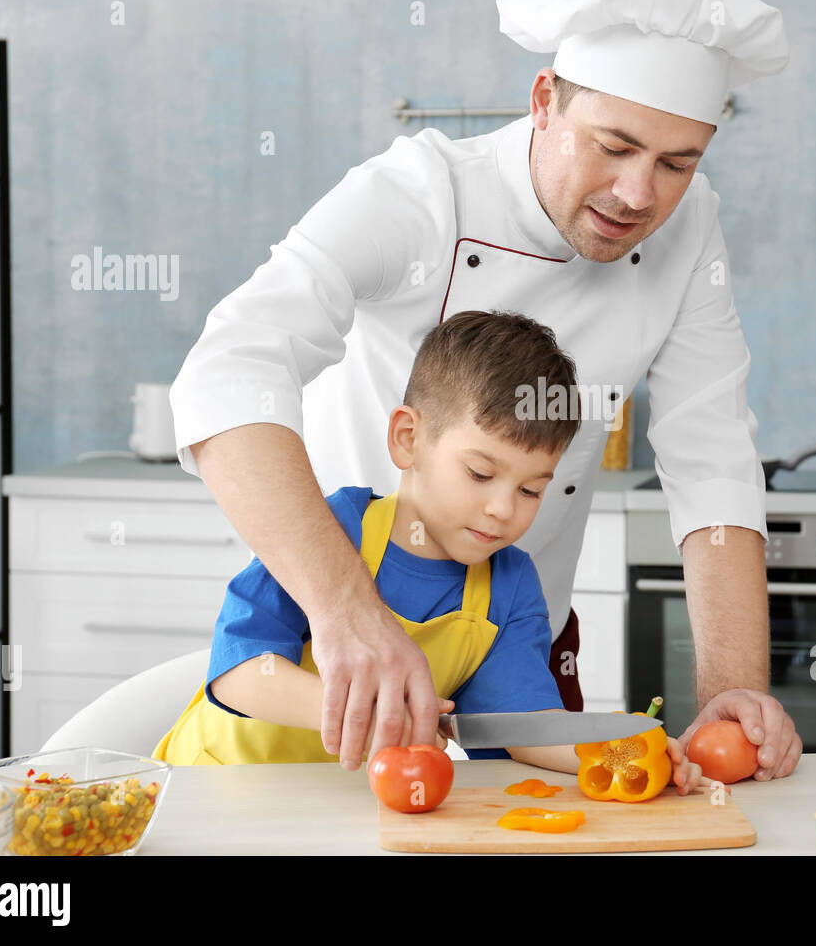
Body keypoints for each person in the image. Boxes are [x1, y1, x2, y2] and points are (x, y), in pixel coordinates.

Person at [169, 0, 802, 778]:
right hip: (332, 620)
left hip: (514, 644)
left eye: (679, 163)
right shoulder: (419, 195)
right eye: (614, 147)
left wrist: (733, 696)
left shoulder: (691, 232)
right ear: (544, 102)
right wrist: (347, 612)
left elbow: (712, 460)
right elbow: (228, 369)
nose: (639, 193)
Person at [154, 311, 703, 790]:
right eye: (481, 473)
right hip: (211, 790)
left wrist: (621, 749)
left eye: (532, 489)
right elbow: (242, 675)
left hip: (336, 815)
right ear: (407, 438)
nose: (503, 509)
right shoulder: (329, 529)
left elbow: (521, 729)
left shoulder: (509, 588)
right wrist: (375, 716)